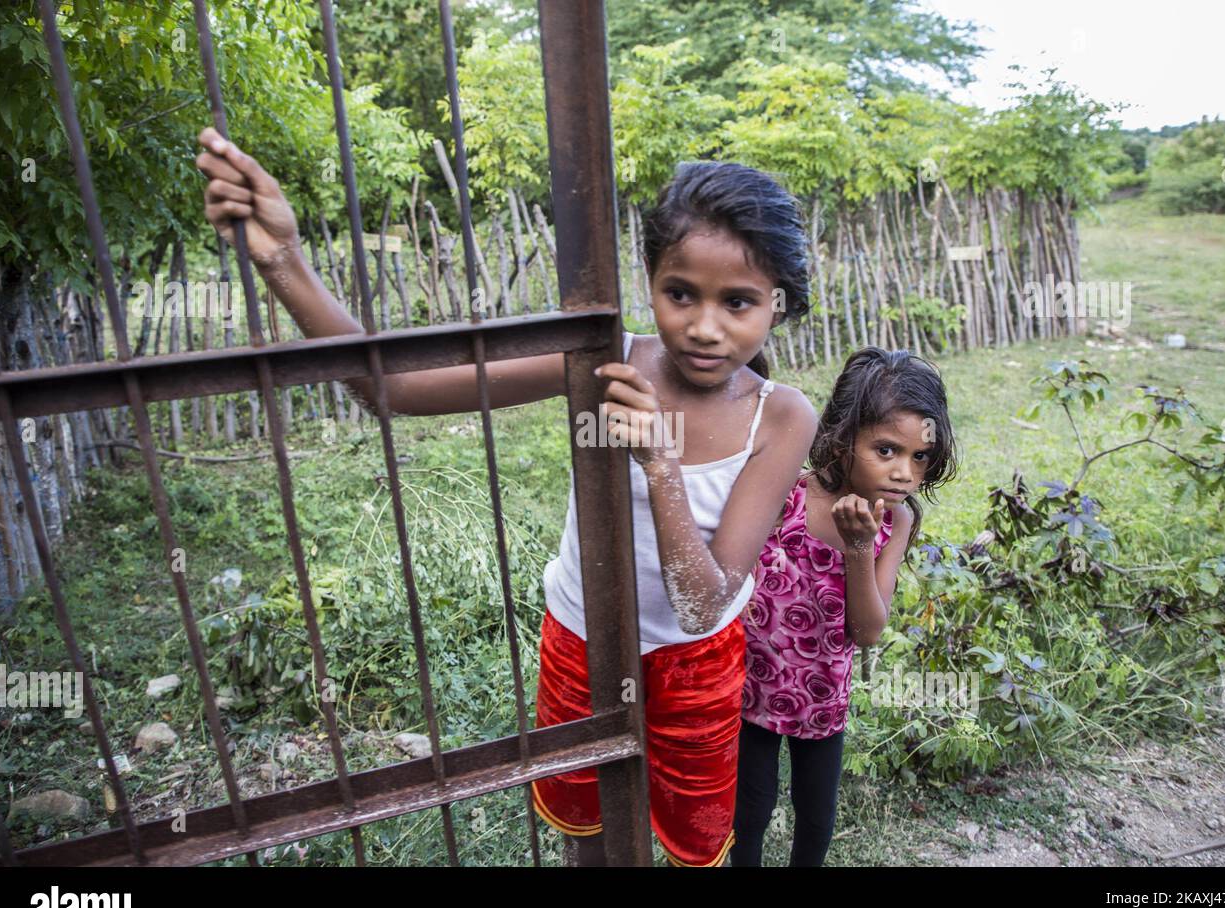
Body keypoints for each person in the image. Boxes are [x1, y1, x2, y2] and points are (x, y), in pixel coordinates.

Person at [195, 130, 818, 866]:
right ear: (650, 282)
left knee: (694, 840)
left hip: (697, 662)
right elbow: (391, 388)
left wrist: (659, 463)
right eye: (680, 293)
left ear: (776, 306)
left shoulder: (781, 416)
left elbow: (702, 604)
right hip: (582, 639)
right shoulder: (604, 357)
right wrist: (282, 259)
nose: (704, 326)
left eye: (737, 302)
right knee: (586, 828)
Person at [729, 346, 957, 866]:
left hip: (821, 698)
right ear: (842, 436)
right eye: (886, 450)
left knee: (816, 819)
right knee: (749, 813)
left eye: (919, 456)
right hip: (750, 688)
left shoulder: (894, 523)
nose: (904, 472)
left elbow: (869, 630)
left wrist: (858, 549)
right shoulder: (786, 491)